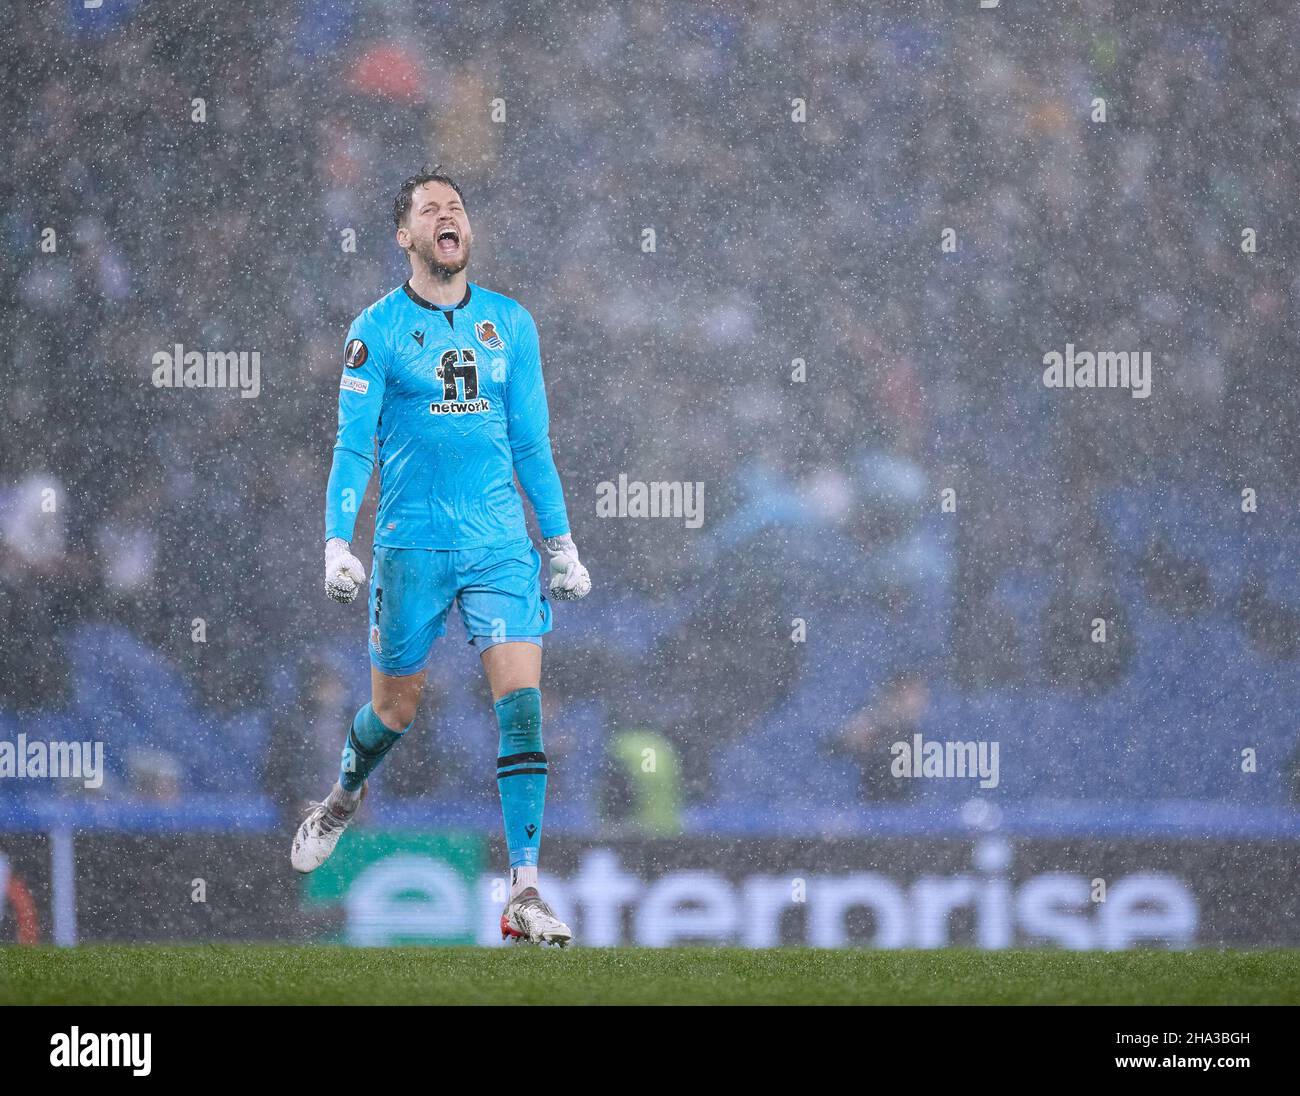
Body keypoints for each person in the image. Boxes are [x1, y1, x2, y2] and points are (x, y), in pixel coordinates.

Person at [290, 169, 590, 947]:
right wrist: (336, 544)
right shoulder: (376, 331)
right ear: (405, 236)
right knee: (395, 711)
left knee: (520, 705)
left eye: (455, 207)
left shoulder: (511, 324)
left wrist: (558, 543)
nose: (448, 216)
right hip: (411, 545)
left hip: (498, 546)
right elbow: (354, 445)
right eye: (431, 210)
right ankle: (343, 797)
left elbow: (531, 443)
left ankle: (523, 889)